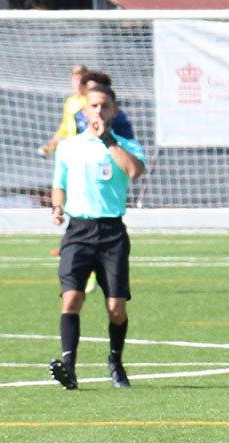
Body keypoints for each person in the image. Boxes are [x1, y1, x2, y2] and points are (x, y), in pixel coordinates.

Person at [48, 84, 146, 391]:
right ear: (84, 110)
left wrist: (108, 139)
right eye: (93, 106)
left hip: (112, 232)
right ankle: (70, 368)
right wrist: (57, 205)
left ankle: (115, 361)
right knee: (72, 298)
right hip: (78, 230)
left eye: (104, 106)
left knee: (116, 307)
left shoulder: (125, 145)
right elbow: (58, 183)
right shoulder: (68, 146)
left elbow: (134, 171)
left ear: (114, 112)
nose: (98, 111)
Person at [40, 64, 89, 158]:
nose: (78, 83)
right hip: (72, 150)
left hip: (87, 150)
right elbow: (64, 129)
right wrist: (50, 145)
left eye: (81, 79)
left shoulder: (92, 101)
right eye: (76, 79)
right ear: (72, 81)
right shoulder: (71, 102)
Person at [74, 71, 135, 140]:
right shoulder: (78, 114)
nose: (99, 110)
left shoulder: (118, 117)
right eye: (91, 90)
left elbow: (127, 142)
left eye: (98, 89)